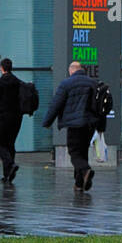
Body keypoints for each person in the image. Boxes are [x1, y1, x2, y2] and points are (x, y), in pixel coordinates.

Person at [42, 61, 101, 192]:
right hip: (89, 124)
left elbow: (56, 104)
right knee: (83, 151)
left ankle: (86, 170)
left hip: (74, 124)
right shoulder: (93, 83)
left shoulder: (66, 84)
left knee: (74, 152)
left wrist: (47, 122)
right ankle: (79, 183)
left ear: (71, 70)